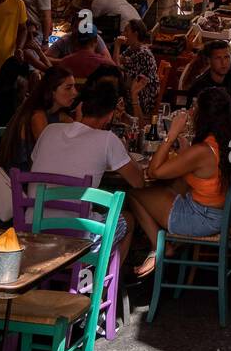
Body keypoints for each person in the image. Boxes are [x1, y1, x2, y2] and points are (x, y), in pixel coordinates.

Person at [127, 86, 231, 277]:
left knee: (133, 194)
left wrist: (171, 135)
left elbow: (154, 171)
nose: (192, 113)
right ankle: (168, 243)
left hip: (203, 218)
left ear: (203, 115)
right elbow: (229, 176)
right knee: (177, 184)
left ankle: (159, 246)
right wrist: (186, 152)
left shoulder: (202, 151)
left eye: (195, 109)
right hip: (227, 214)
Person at [30, 78, 146, 259]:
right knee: (128, 220)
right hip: (75, 240)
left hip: (33, 229)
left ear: (81, 106)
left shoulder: (49, 130)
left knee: (95, 211)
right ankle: (103, 283)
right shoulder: (108, 139)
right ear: (110, 114)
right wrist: (123, 149)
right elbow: (138, 182)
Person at [0, 63, 79, 171]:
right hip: (21, 179)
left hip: (38, 172)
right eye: (68, 88)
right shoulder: (37, 116)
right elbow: (48, 156)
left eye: (74, 87)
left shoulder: (57, 114)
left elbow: (77, 141)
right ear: (52, 91)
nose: (75, 93)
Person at [186, 39, 231, 108]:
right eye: (218, 58)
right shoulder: (200, 86)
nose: (223, 62)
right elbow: (193, 115)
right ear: (209, 60)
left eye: (226, 57)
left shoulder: (230, 74)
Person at [113, 18, 159, 119]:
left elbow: (117, 72)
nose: (123, 33)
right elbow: (118, 61)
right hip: (134, 90)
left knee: (111, 93)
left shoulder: (142, 53)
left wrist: (117, 46)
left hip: (143, 97)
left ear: (135, 34)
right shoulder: (132, 49)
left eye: (126, 31)